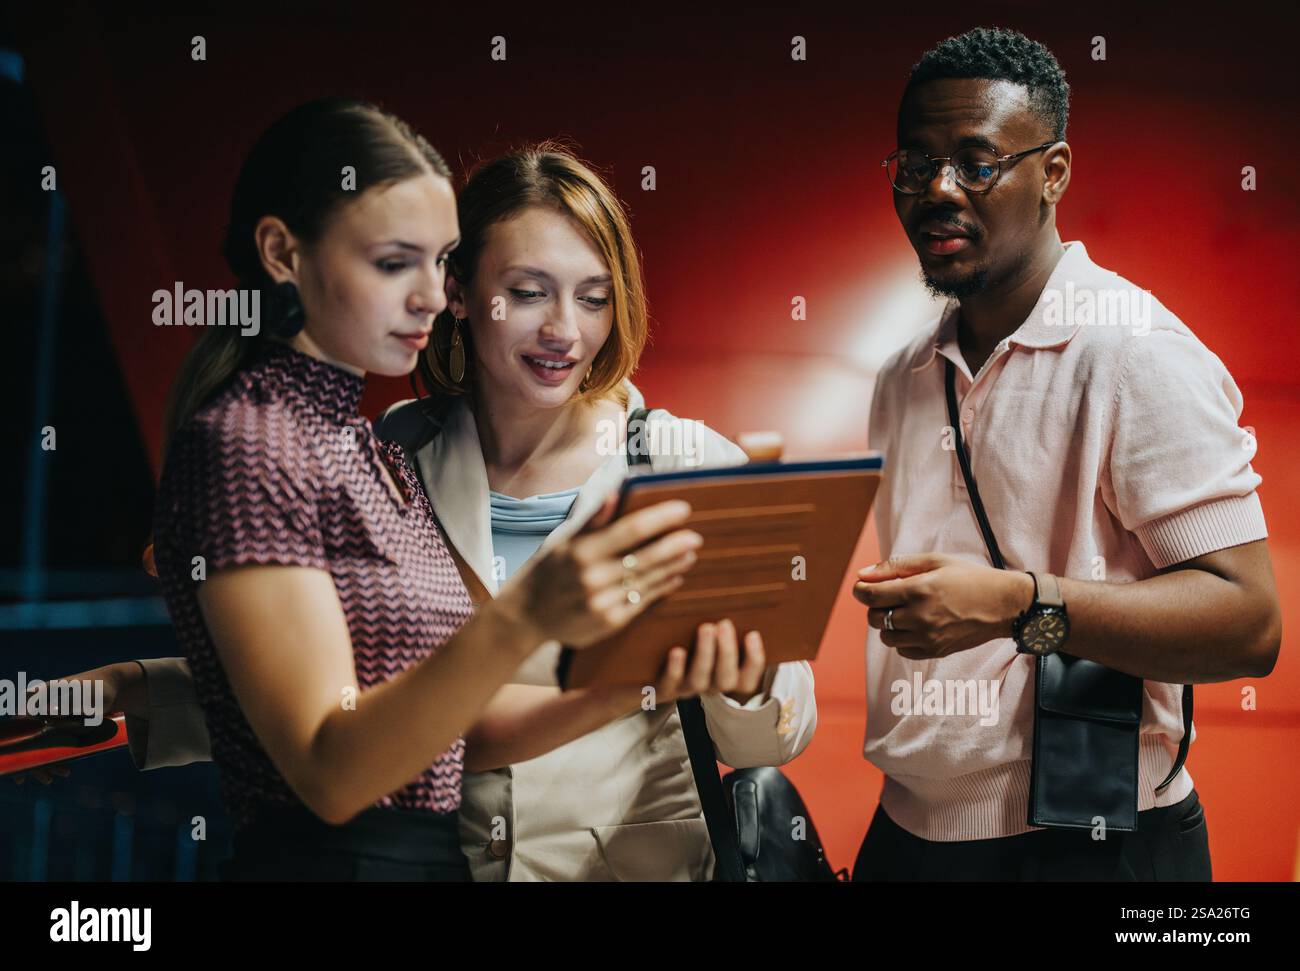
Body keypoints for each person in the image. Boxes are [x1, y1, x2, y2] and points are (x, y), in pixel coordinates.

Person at [46, 141, 817, 882]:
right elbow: (337, 682)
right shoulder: (389, 457)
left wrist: (745, 680)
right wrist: (137, 688)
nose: (564, 330)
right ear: (457, 290)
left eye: (593, 296)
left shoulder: (689, 463)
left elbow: (774, 734)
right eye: (526, 291)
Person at [851, 27, 1282, 881]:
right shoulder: (902, 376)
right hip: (907, 833)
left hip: (1093, 841)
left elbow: (1250, 622)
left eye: (977, 162)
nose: (939, 188)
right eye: (916, 163)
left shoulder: (1136, 353)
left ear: (1053, 174)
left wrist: (1019, 602)